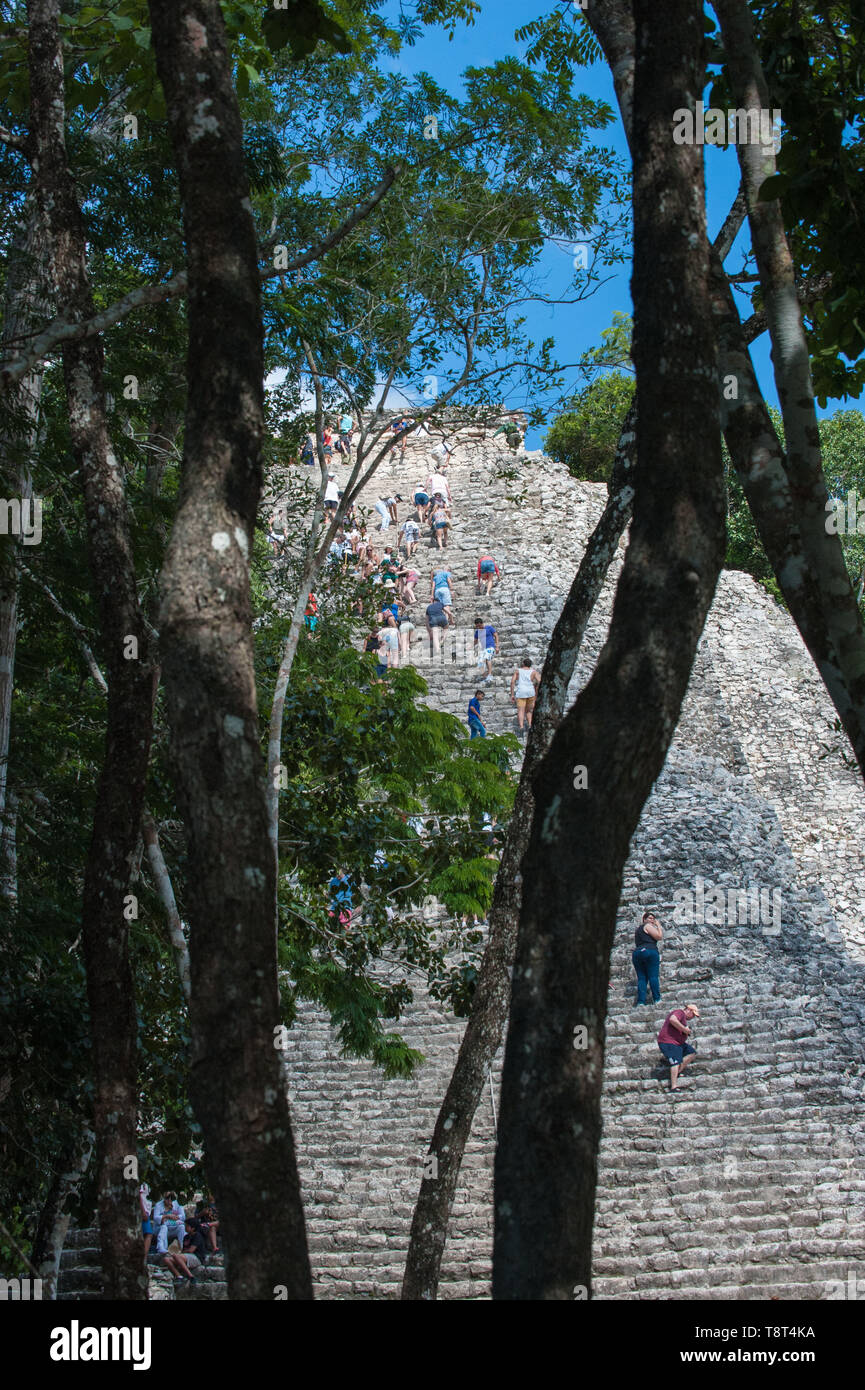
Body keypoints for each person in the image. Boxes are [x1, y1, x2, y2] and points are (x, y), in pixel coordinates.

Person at [657, 1004, 700, 1093]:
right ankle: (673, 1087)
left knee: (691, 1053)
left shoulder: (683, 1019)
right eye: (693, 1015)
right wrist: (684, 1030)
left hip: (678, 1043)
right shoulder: (680, 1012)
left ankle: (677, 1072)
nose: (693, 1017)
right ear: (689, 1010)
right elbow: (672, 1019)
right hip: (669, 1042)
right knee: (675, 1062)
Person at [632, 909, 663, 1005]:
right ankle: (657, 999)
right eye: (650, 918)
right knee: (653, 976)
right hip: (649, 951)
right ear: (644, 919)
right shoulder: (648, 926)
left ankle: (641, 1002)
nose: (652, 920)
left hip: (637, 953)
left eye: (653, 919)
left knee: (642, 978)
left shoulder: (638, 930)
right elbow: (659, 936)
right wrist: (658, 925)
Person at [510, 656, 541, 732]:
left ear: (523, 664)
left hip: (521, 692)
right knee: (529, 710)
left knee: (521, 710)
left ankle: (521, 726)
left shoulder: (518, 671)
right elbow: (540, 681)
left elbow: (512, 682)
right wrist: (537, 691)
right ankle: (530, 725)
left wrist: (512, 694)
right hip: (530, 692)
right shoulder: (534, 672)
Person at [139, 1183, 154, 1260]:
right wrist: (143, 1211)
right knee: (148, 1234)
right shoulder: (142, 1183)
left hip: (146, 1211)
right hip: (143, 1212)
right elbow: (139, 1195)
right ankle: (143, 1257)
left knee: (147, 1235)